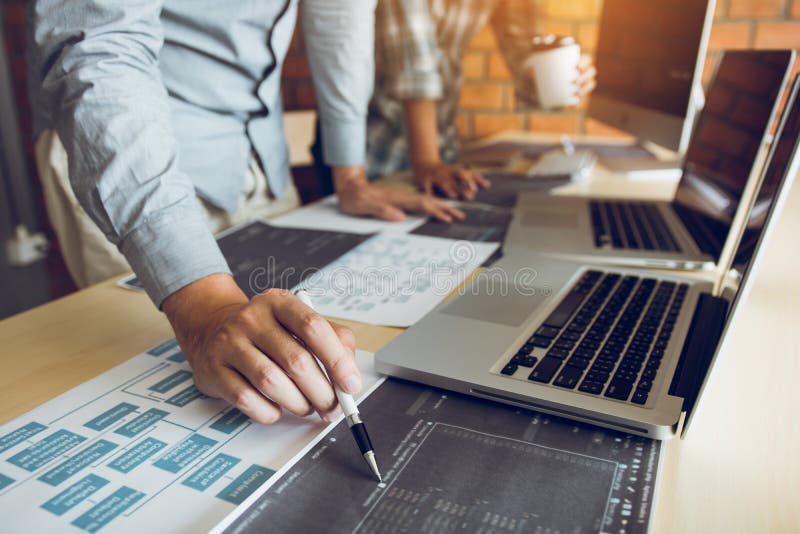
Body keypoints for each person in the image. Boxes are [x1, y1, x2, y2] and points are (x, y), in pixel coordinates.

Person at [29, 0, 462, 426]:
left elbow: (339, 16)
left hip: (259, 154)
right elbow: (99, 44)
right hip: (128, 157)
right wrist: (202, 312)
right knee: (145, 388)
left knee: (282, 355)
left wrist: (349, 176)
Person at [366, 0, 597, 200]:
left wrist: (559, 75)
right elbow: (416, 67)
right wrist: (428, 162)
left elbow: (523, 48)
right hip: (380, 152)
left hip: (444, 155)